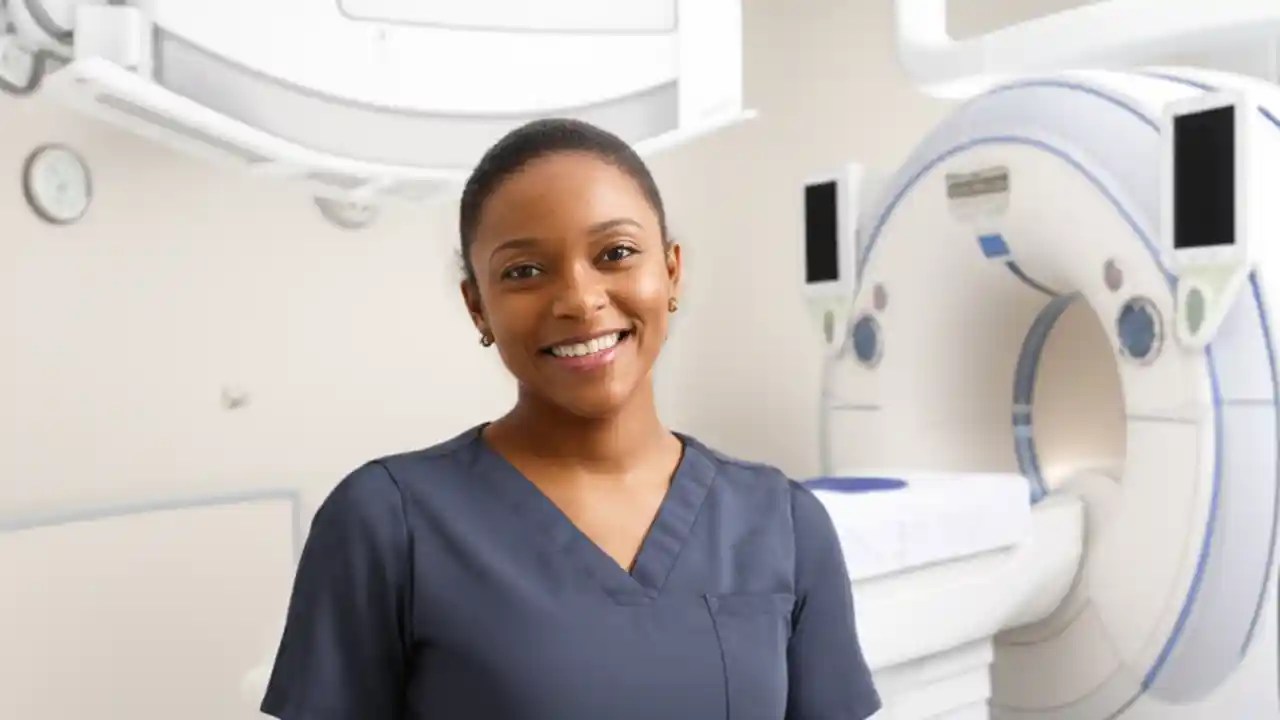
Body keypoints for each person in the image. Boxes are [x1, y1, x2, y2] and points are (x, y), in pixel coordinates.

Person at [258, 118, 880, 720]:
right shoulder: (387, 523)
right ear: (478, 306)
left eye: (616, 253)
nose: (580, 300)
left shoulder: (784, 523)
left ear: (671, 272)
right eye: (524, 271)